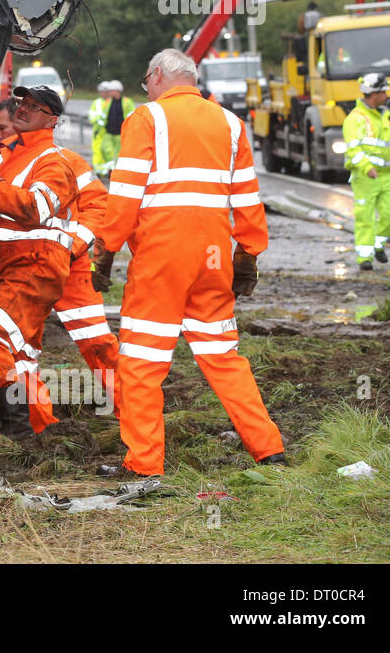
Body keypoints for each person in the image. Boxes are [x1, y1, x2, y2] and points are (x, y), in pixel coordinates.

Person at [93, 48, 284, 476]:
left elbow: (124, 194)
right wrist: (248, 253)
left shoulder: (147, 119)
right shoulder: (231, 124)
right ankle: (269, 449)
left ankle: (144, 465)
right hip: (214, 257)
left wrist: (106, 248)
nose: (148, 88)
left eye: (146, 81)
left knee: (142, 360)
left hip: (162, 257)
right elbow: (249, 198)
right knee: (222, 354)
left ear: (158, 74)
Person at [0, 84, 79, 438]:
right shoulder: (6, 155)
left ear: (52, 120)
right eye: (22, 103)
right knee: (19, 355)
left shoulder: (53, 161)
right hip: (5, 267)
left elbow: (37, 209)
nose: (23, 109)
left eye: (34, 107)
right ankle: (37, 427)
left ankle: (15, 429)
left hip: (35, 267)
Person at [50, 144, 121, 414]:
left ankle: (131, 409)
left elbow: (98, 205)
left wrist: (73, 247)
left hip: (68, 265)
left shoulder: (66, 161)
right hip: (16, 269)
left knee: (96, 340)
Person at [344, 72, 390, 270]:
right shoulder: (355, 119)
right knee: (365, 218)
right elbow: (354, 149)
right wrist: (366, 167)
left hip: (386, 175)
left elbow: (389, 148)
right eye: (383, 91)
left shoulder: (382, 117)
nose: (386, 95)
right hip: (365, 176)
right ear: (373, 94)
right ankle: (364, 258)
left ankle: (378, 245)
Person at [100, 80, 135, 173]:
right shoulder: (107, 102)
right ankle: (110, 169)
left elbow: (132, 117)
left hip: (121, 133)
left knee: (120, 153)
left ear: (117, 91)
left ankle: (116, 170)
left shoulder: (127, 102)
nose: (109, 92)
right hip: (108, 132)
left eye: (111, 90)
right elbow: (103, 116)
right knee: (105, 150)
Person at [88, 82, 111, 176]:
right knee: (97, 151)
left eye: (105, 92)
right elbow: (91, 116)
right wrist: (98, 120)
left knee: (109, 151)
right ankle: (98, 171)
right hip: (98, 132)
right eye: (102, 91)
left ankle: (108, 171)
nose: (103, 93)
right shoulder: (96, 103)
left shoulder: (113, 102)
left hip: (109, 132)